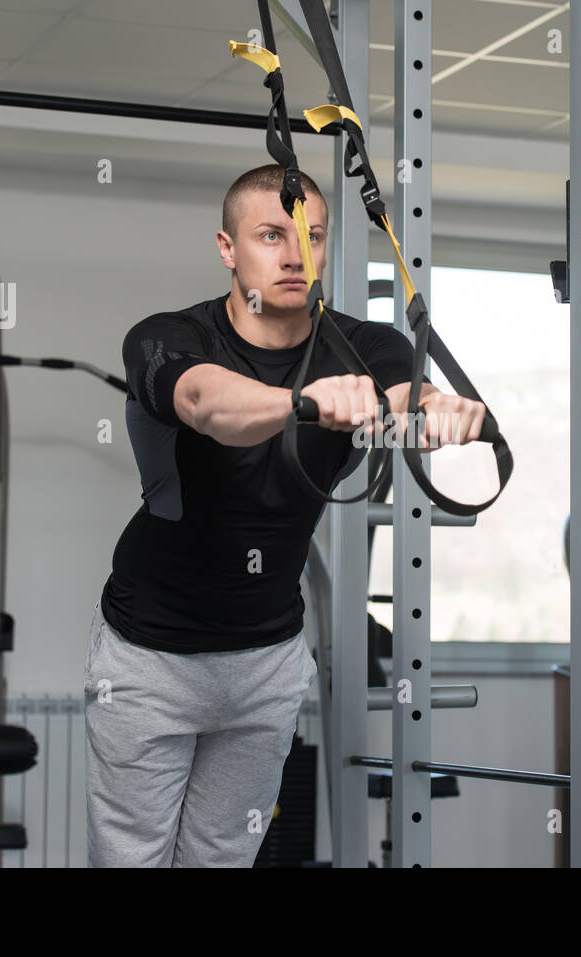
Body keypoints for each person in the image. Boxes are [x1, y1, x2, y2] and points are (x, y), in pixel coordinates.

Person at [84, 164, 486, 867]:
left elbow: (408, 398)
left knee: (222, 859)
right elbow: (211, 406)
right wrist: (308, 401)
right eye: (271, 235)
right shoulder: (167, 337)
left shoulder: (362, 346)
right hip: (149, 655)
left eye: (312, 236)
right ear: (227, 246)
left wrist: (442, 411)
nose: (295, 254)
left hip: (266, 659)